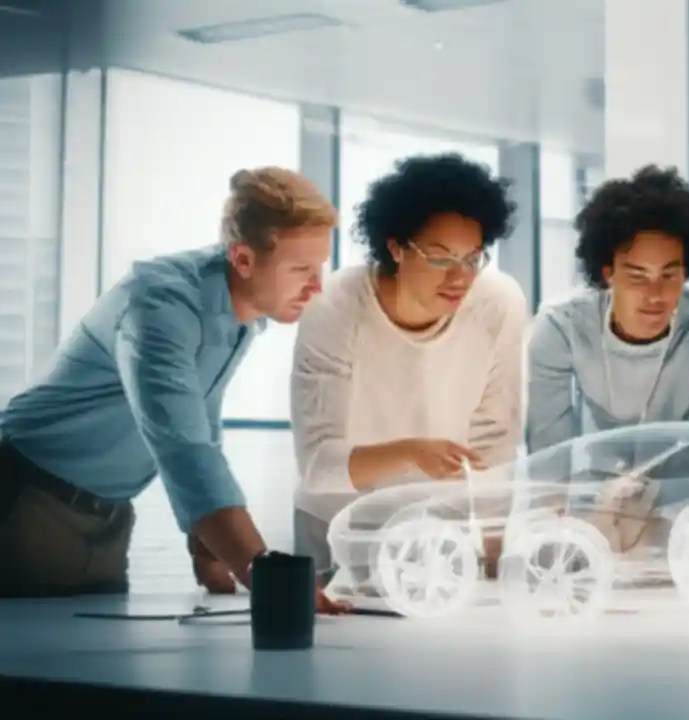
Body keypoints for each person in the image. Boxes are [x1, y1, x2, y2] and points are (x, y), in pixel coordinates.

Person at [0, 167, 347, 611]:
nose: (316, 288)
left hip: (108, 516)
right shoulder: (161, 307)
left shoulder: (239, 309)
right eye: (301, 270)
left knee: (93, 669)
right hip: (29, 506)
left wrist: (206, 544)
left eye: (319, 268)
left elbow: (200, 422)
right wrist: (267, 576)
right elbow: (182, 446)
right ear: (242, 259)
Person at [290, 154, 526, 576]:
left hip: (435, 535)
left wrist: (495, 560)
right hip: (335, 528)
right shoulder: (335, 307)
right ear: (396, 247)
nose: (460, 277)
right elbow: (318, 467)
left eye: (473, 258)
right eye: (439, 257)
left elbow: (494, 444)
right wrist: (412, 452)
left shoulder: (498, 304)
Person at [525, 165, 689, 551]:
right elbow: (550, 452)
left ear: (688, 269)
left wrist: (656, 525)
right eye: (637, 276)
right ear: (607, 271)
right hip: (598, 492)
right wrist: (556, 534)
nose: (655, 294)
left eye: (669, 274)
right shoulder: (560, 325)